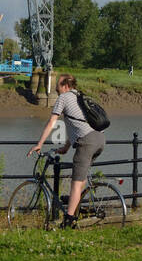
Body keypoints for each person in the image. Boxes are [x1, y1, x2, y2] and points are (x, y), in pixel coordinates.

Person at [30, 73, 105, 228]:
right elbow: (76, 126)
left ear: (65, 85)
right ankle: (76, 206)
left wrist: (39, 143)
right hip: (100, 139)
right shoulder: (79, 96)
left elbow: (52, 122)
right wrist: (65, 147)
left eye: (58, 84)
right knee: (81, 178)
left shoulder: (63, 98)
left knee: (76, 183)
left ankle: (69, 220)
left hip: (87, 142)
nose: (56, 87)